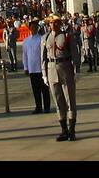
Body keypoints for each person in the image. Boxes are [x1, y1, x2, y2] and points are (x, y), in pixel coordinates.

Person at [41, 14, 78, 142]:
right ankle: (64, 130)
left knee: (70, 101)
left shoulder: (67, 36)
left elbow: (74, 54)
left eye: (56, 22)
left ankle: (72, 130)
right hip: (51, 69)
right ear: (48, 24)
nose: (53, 24)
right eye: (51, 23)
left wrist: (76, 70)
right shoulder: (45, 37)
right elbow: (43, 58)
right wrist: (44, 74)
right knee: (58, 102)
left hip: (65, 67)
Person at [22, 21, 50, 115]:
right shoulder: (26, 41)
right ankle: (38, 107)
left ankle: (47, 107)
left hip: (41, 68)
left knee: (44, 89)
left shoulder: (41, 39)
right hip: (32, 69)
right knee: (35, 90)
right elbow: (25, 55)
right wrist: (26, 67)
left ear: (38, 28)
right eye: (32, 27)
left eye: (35, 27)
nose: (33, 28)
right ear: (29, 28)